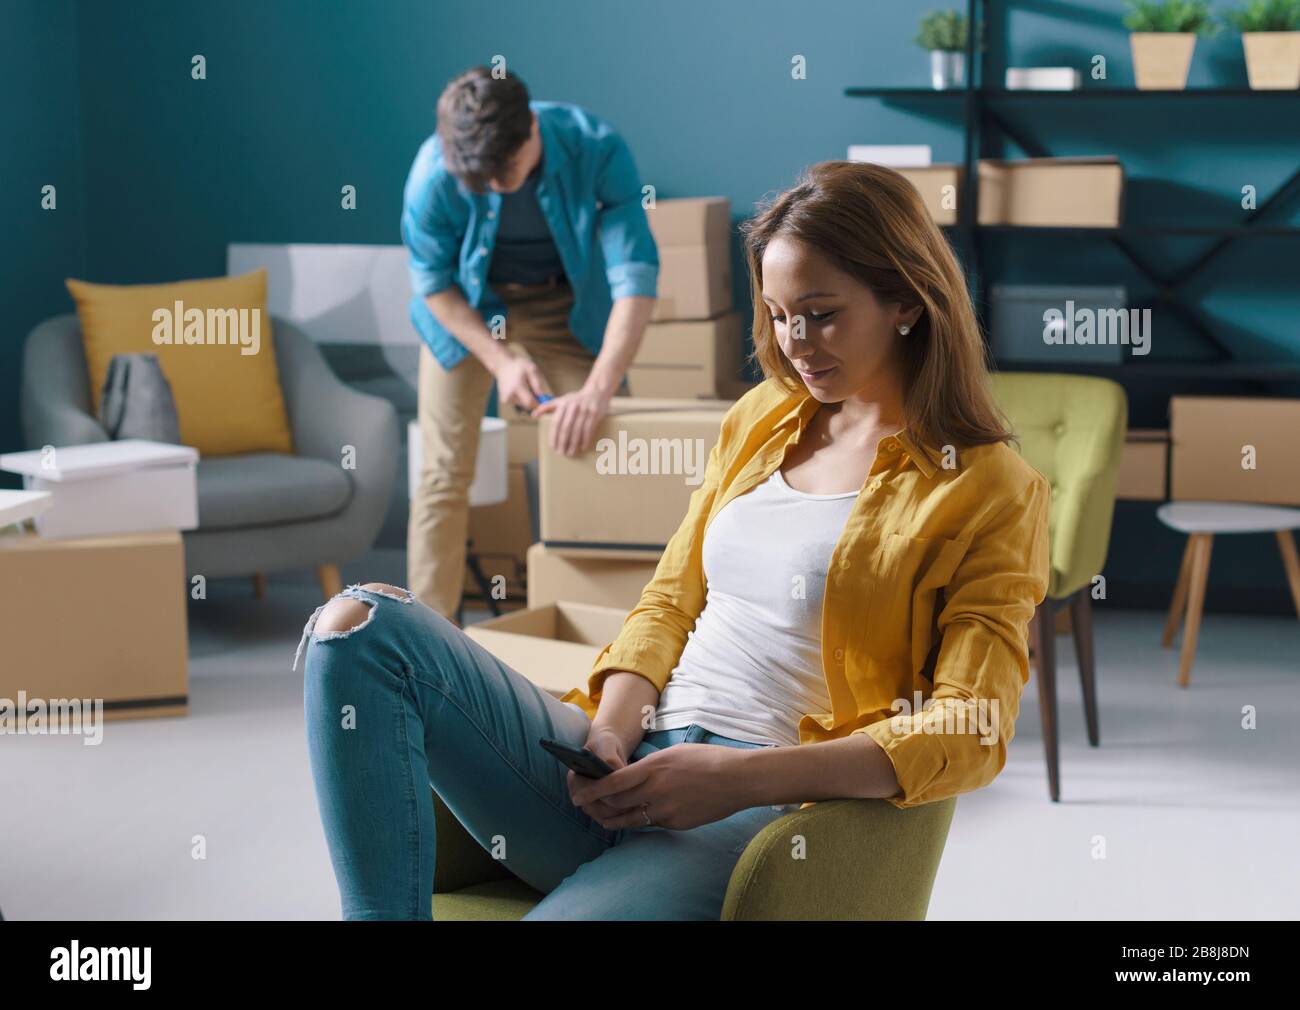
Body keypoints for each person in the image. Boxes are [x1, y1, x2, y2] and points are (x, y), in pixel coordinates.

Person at [299, 160, 1051, 920]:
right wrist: (610, 733)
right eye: (780, 313)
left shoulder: (989, 489)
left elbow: (970, 728)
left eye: (821, 313)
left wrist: (735, 779)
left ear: (905, 302)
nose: (796, 342)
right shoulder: (761, 416)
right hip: (627, 765)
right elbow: (671, 598)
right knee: (358, 629)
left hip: (745, 808)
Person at [401, 66, 658, 619]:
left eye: (506, 172)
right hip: (469, 312)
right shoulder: (432, 174)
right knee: (442, 474)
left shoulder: (597, 146)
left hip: (563, 306)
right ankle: (424, 651)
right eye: (480, 181)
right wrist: (500, 360)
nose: (494, 187)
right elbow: (433, 287)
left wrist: (598, 390)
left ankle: (624, 631)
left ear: (532, 130)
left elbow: (633, 277)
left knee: (610, 451)